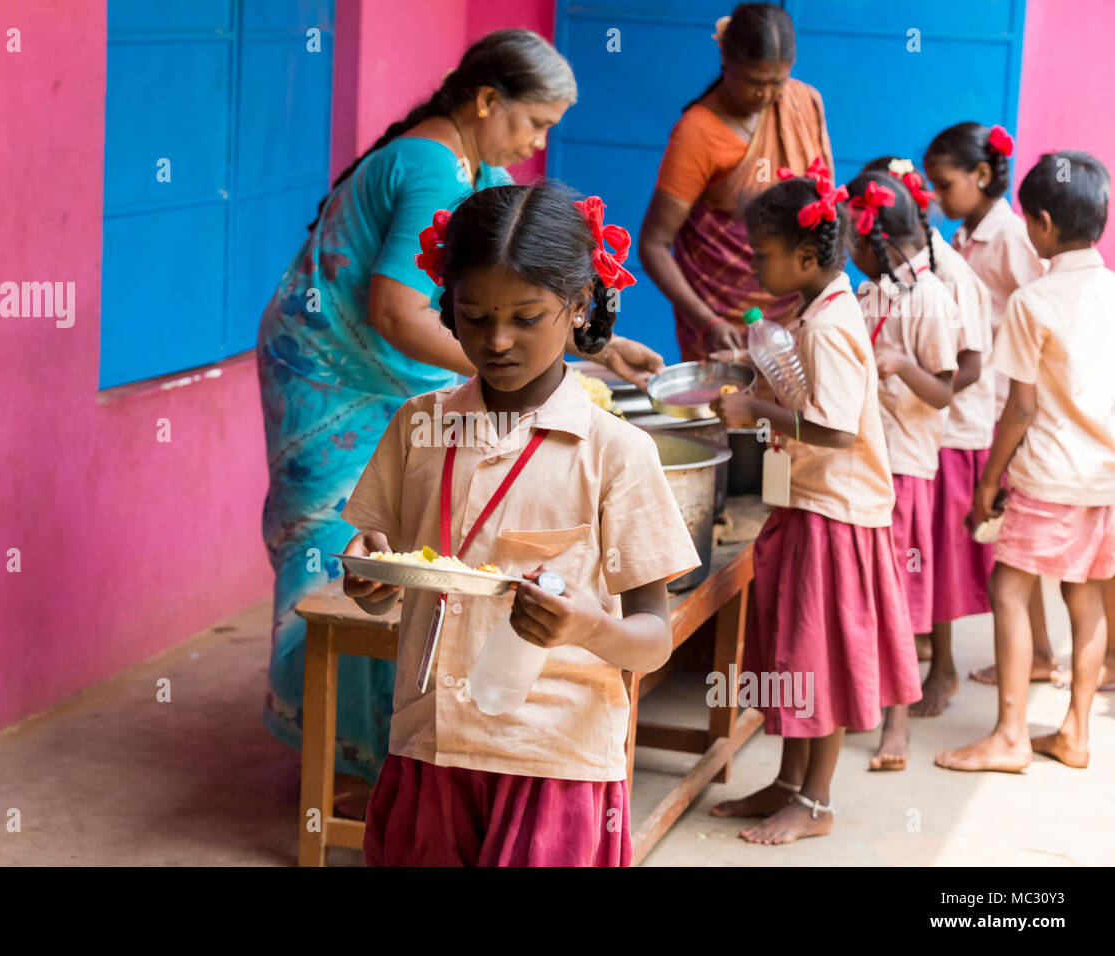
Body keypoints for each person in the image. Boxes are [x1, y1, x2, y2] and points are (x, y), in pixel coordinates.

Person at [256, 30, 664, 809]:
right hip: (330, 379)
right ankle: (350, 760)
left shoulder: (484, 174)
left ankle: (388, 752)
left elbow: (533, 289)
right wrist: (524, 371)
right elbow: (398, 311)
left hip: (398, 382)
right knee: (336, 555)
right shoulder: (429, 167)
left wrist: (602, 351)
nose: (541, 142)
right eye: (534, 122)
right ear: (486, 101)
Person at [340, 182, 699, 866]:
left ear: (578, 306)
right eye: (473, 316)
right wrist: (371, 575)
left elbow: (653, 639)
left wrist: (585, 627)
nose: (496, 341)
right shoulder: (420, 426)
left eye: (526, 317)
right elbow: (378, 557)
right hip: (430, 745)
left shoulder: (615, 452)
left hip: (554, 761)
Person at [709, 171, 919, 844]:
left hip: (838, 515)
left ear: (804, 257)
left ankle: (818, 803)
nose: (753, 265)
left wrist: (750, 409)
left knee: (816, 660)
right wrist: (758, 380)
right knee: (793, 654)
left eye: (761, 254)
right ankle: (788, 782)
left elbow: (832, 430)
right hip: (809, 502)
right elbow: (806, 395)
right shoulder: (811, 311)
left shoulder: (829, 325)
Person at [937, 152, 1115, 772]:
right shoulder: (1112, 293)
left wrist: (988, 482)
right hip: (1102, 479)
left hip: (1050, 476)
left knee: (1008, 587)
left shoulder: (1034, 301)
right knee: (1084, 596)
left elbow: (1019, 408)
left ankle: (1011, 735)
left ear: (1038, 223)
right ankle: (1076, 734)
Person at [924, 122, 1059, 687]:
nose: (936, 196)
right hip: (984, 410)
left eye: (945, 183)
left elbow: (1042, 309)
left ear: (982, 176)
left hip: (1001, 413)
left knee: (1006, 544)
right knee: (1007, 542)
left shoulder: (1008, 238)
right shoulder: (967, 235)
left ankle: (1039, 653)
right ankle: (1041, 654)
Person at [863, 157, 996, 716]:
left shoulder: (947, 280)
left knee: (931, 559)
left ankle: (938, 669)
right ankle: (919, 661)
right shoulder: (890, 281)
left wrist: (914, 381)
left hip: (948, 436)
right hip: (915, 431)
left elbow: (966, 368)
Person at [639, 3, 833, 361]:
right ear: (726, 61)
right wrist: (707, 322)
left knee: (796, 414)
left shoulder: (804, 102)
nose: (766, 95)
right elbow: (653, 245)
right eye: (754, 82)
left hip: (799, 312)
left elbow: (824, 201)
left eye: (777, 82)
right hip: (724, 322)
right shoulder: (696, 134)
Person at [845, 171, 957, 771]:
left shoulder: (932, 299)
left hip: (907, 468)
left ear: (875, 241)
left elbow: (943, 391)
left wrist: (899, 363)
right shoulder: (869, 294)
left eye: (852, 241)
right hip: (868, 461)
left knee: (903, 595)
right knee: (868, 591)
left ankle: (898, 722)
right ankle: (866, 698)